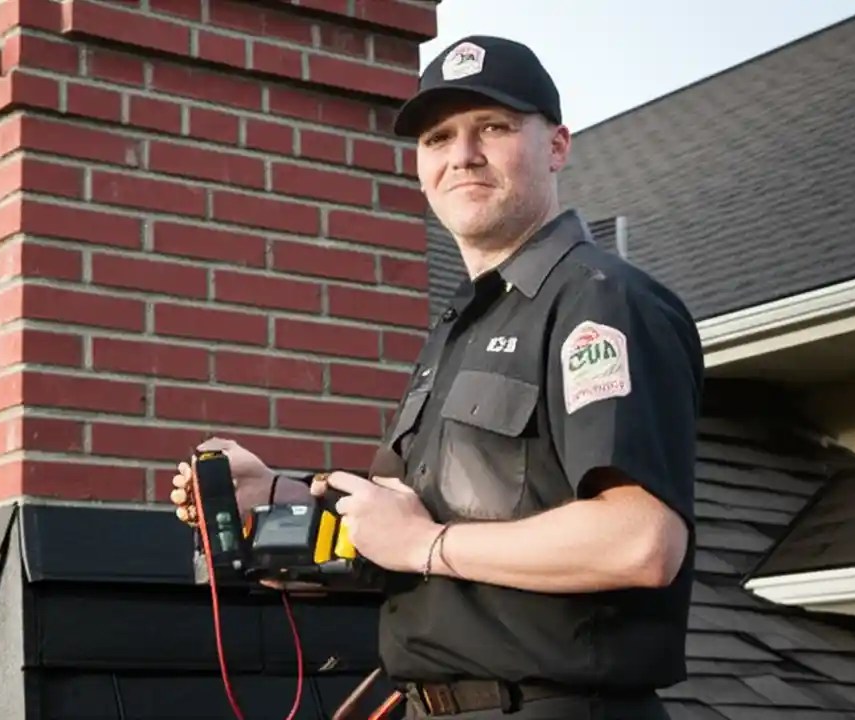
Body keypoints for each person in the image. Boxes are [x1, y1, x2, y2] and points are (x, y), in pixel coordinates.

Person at [171, 34, 702, 720]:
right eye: (438, 138)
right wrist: (274, 491)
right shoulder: (458, 328)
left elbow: (640, 541)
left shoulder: (601, 302)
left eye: (494, 127)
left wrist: (427, 545)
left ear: (557, 146)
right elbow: (400, 523)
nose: (463, 154)